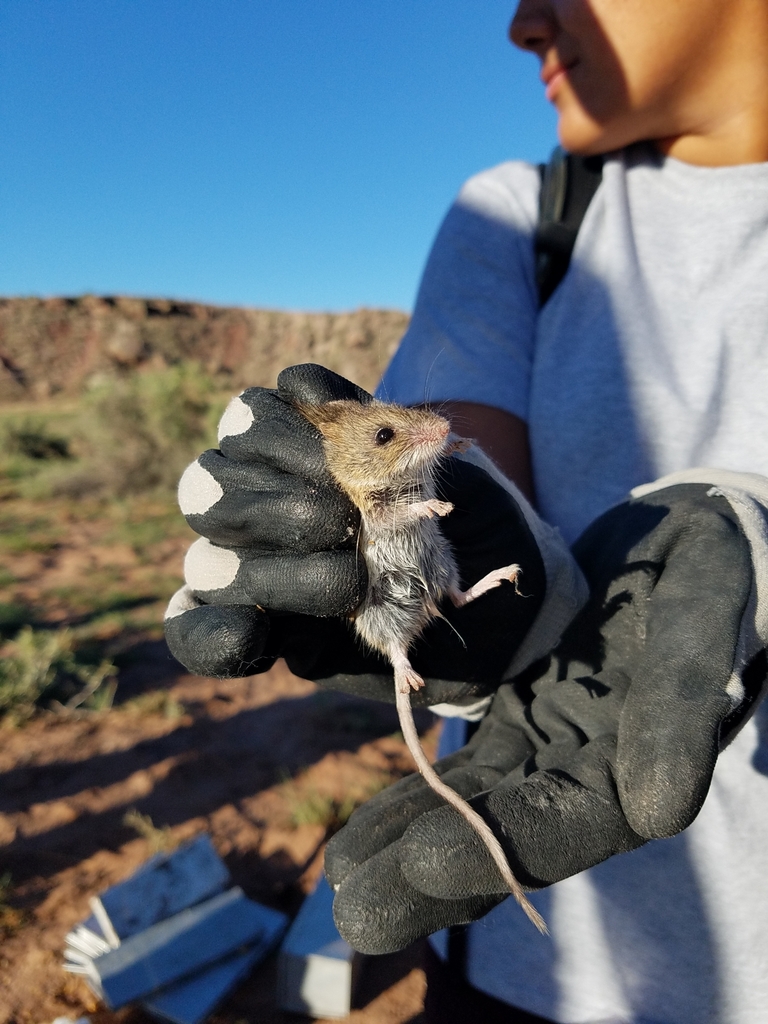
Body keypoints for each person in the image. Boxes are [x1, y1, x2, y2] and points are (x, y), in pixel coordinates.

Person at [164, 1, 768, 1021]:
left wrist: (752, 533)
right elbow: (448, 444)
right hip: (513, 951)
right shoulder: (518, 213)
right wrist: (516, 593)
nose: (523, 23)